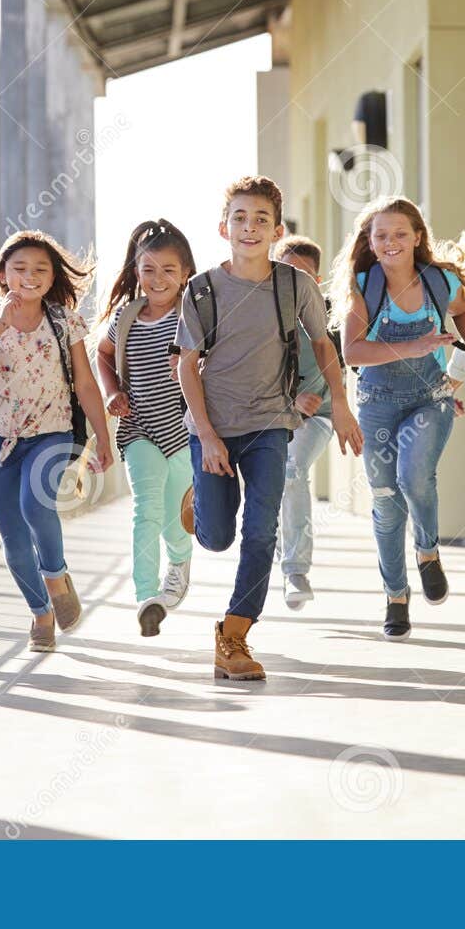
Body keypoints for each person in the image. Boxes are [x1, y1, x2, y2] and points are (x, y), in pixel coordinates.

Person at [177, 176, 362, 680]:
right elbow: (186, 365)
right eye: (240, 218)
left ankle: (234, 636)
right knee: (216, 537)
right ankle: (201, 496)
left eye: (261, 219)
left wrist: (340, 405)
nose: (250, 227)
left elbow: (324, 346)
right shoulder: (203, 289)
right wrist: (209, 437)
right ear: (223, 227)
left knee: (262, 530)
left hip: (270, 423)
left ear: (277, 230)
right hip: (213, 426)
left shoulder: (294, 285)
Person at [332, 196, 465, 640]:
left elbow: (464, 313)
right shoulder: (365, 287)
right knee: (384, 499)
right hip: (377, 401)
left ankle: (427, 551)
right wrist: (416, 346)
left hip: (431, 396)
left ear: (418, 237)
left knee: (414, 477)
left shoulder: (440, 282)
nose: (391, 242)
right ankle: (396, 596)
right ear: (370, 241)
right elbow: (353, 352)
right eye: (381, 235)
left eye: (401, 233)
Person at [0, 231, 114, 652]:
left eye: (40, 269)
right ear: (3, 275)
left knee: (34, 505)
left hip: (51, 431)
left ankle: (56, 575)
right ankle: (41, 612)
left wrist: (102, 438)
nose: (29, 276)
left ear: (52, 276)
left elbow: (85, 383)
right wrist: (0, 323)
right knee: (12, 536)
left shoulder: (64, 321)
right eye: (19, 268)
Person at [95, 219, 198, 637]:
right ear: (137, 272)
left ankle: (179, 559)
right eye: (149, 270)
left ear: (186, 273)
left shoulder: (192, 317)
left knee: (175, 519)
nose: (158, 279)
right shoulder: (127, 316)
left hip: (183, 431)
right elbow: (102, 355)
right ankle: (146, 596)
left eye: (168, 270)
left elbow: (213, 364)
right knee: (146, 510)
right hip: (137, 429)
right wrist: (111, 391)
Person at [271, 235, 342, 610]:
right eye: (289, 272)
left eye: (307, 275)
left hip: (319, 417)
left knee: (293, 468)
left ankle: (295, 569)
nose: (298, 281)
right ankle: (278, 544)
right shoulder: (260, 313)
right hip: (267, 416)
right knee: (274, 479)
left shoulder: (331, 316)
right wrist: (288, 400)